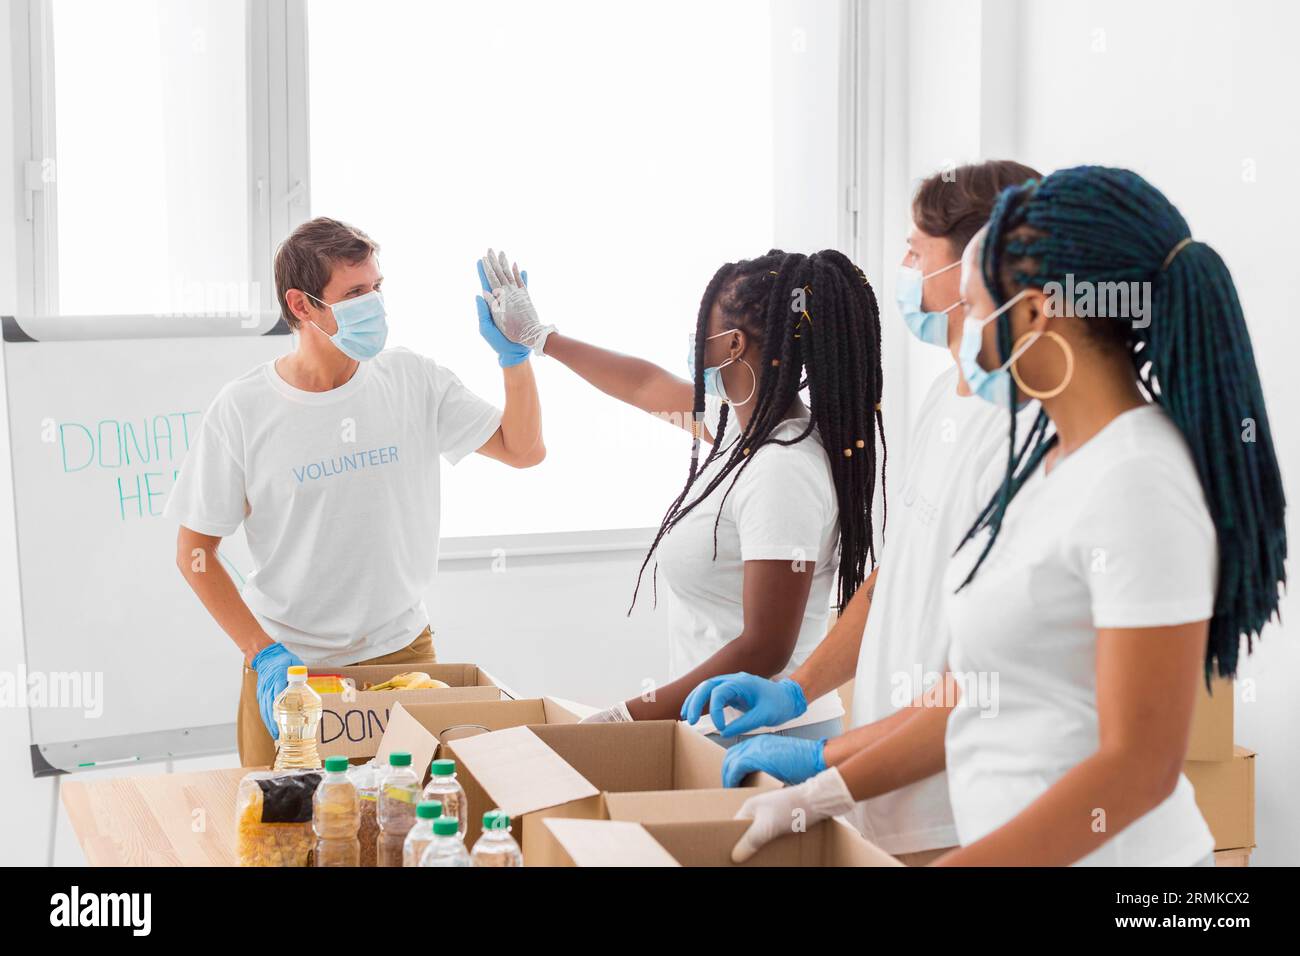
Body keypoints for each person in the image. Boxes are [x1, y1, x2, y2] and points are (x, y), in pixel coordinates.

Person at [728, 166, 1286, 866]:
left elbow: (1138, 770)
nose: (964, 315)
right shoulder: (1049, 464)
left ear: (1039, 310)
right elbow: (975, 691)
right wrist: (821, 791)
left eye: (977, 293)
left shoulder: (1138, 478)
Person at [680, 161, 1040, 865]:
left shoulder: (1023, 435)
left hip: (955, 807)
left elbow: (979, 682)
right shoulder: (947, 402)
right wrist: (794, 690)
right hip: (880, 790)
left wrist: (824, 771)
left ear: (980, 264)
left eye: (916, 250)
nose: (901, 266)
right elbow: (890, 583)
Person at [166, 220, 545, 767]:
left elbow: (523, 449)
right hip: (288, 670)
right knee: (281, 838)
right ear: (301, 305)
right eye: (355, 293)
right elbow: (194, 553)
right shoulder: (243, 410)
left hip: (404, 657)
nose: (375, 304)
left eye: (377, 287)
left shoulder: (412, 380)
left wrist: (515, 358)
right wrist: (262, 653)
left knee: (407, 828)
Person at [479, 248, 884, 742]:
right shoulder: (742, 432)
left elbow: (765, 648)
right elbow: (646, 384)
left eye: (703, 328)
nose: (694, 342)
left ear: (733, 344)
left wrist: (629, 716)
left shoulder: (781, 467)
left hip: (767, 737)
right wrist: (542, 339)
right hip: (726, 730)